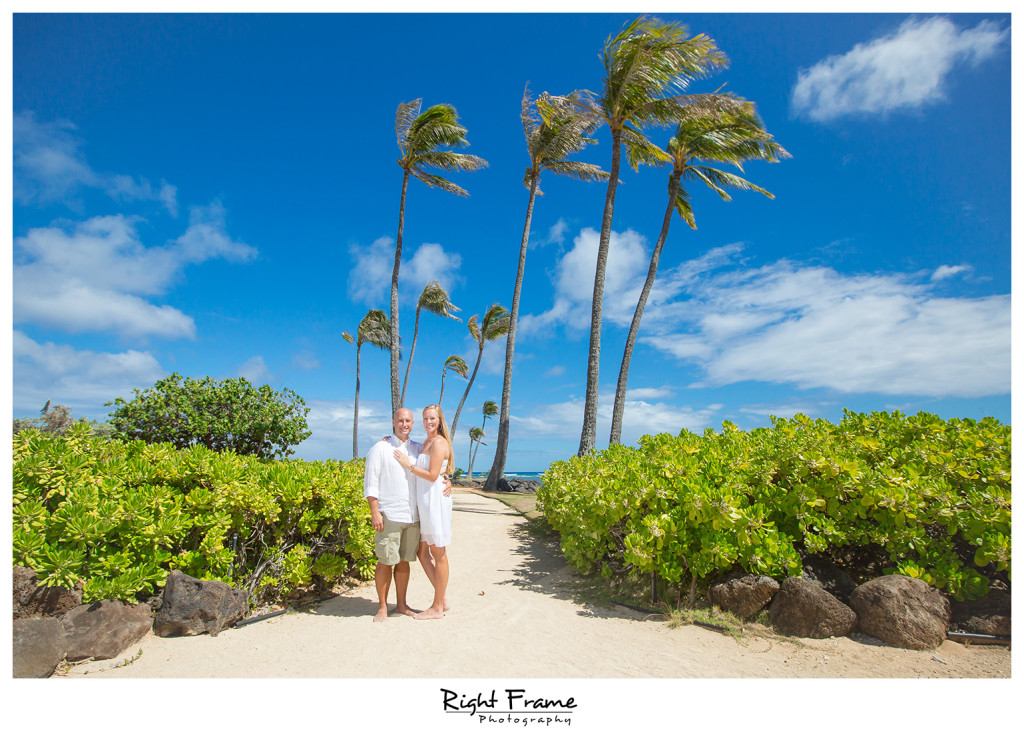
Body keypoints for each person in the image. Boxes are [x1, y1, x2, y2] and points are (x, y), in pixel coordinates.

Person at [393, 403, 454, 620]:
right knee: (422, 552)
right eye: (425, 418)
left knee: (439, 553)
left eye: (432, 418)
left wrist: (407, 465)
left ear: (439, 421)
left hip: (435, 501)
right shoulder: (426, 443)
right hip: (425, 502)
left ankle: (437, 607)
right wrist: (388, 439)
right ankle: (442, 599)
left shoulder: (438, 442)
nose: (428, 422)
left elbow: (432, 475)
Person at [363, 408, 422, 622]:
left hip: (413, 517)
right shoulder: (380, 448)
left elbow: (433, 470)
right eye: (400, 421)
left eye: (408, 421)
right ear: (393, 422)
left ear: (412, 423)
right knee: (386, 561)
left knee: (404, 562)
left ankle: (402, 604)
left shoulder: (418, 449)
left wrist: (447, 480)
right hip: (390, 514)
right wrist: (375, 512)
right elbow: (371, 482)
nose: (404, 424)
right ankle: (382, 607)